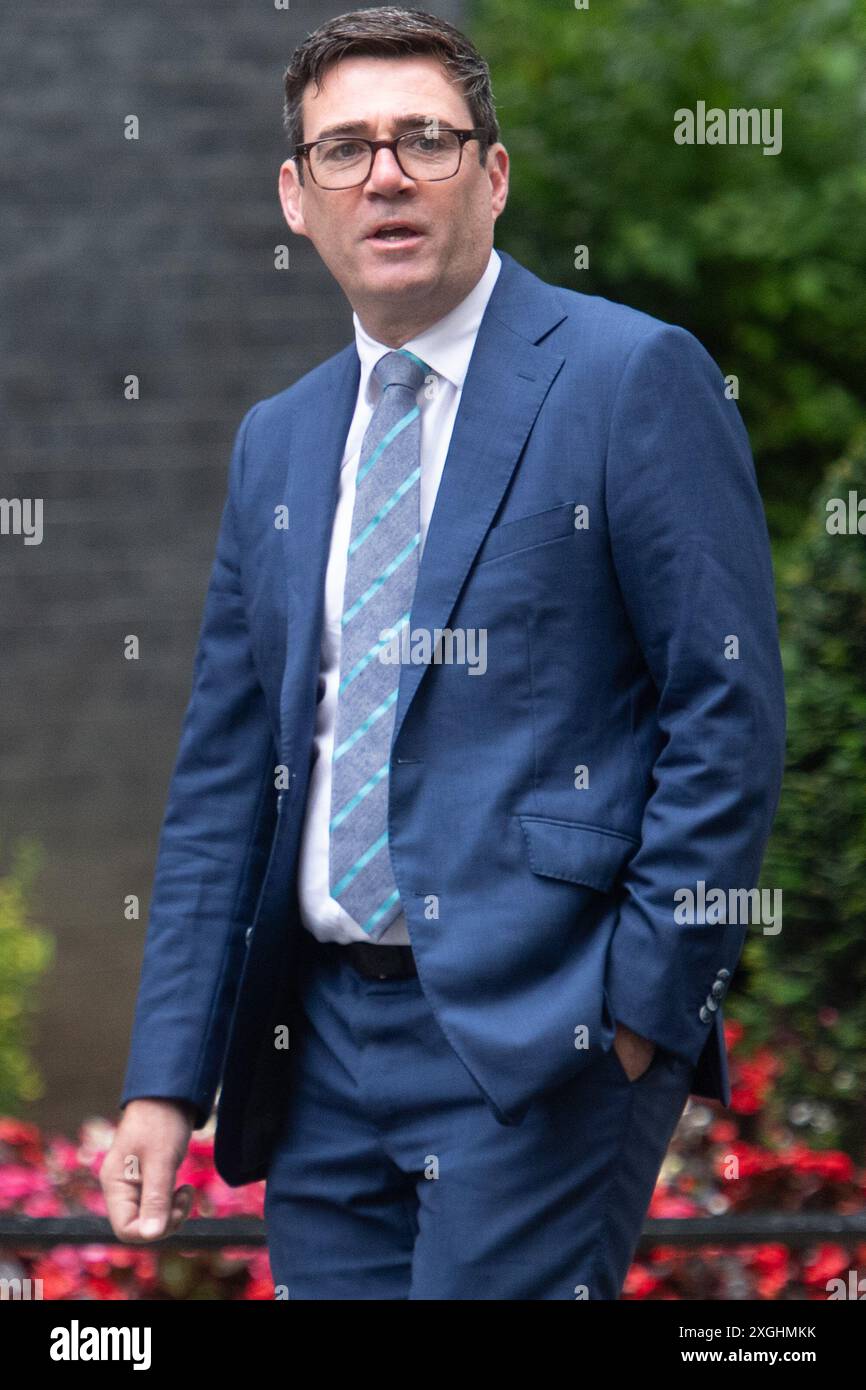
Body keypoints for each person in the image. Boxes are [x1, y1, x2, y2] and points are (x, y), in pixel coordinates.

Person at [100, 7, 786, 1299]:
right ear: (296, 199)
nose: (388, 175)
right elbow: (225, 779)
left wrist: (641, 1012)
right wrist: (161, 1079)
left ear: (494, 172)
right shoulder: (280, 440)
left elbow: (727, 711)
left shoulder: (627, 377)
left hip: (541, 1040)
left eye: (424, 138)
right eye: (346, 150)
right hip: (317, 1054)